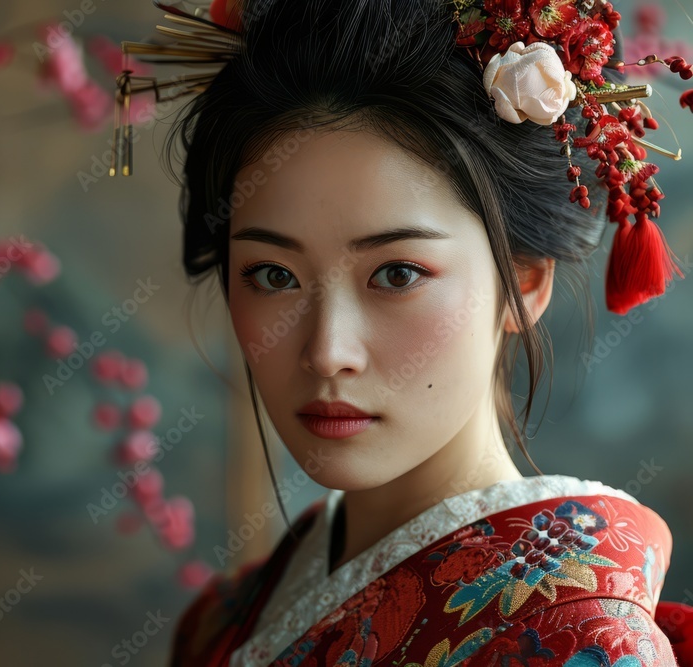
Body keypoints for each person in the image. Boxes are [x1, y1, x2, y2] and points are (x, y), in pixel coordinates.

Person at [110, 0, 693, 664]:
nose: (328, 350)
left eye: (395, 274)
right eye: (273, 274)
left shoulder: (580, 641)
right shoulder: (222, 622)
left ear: (524, 281)